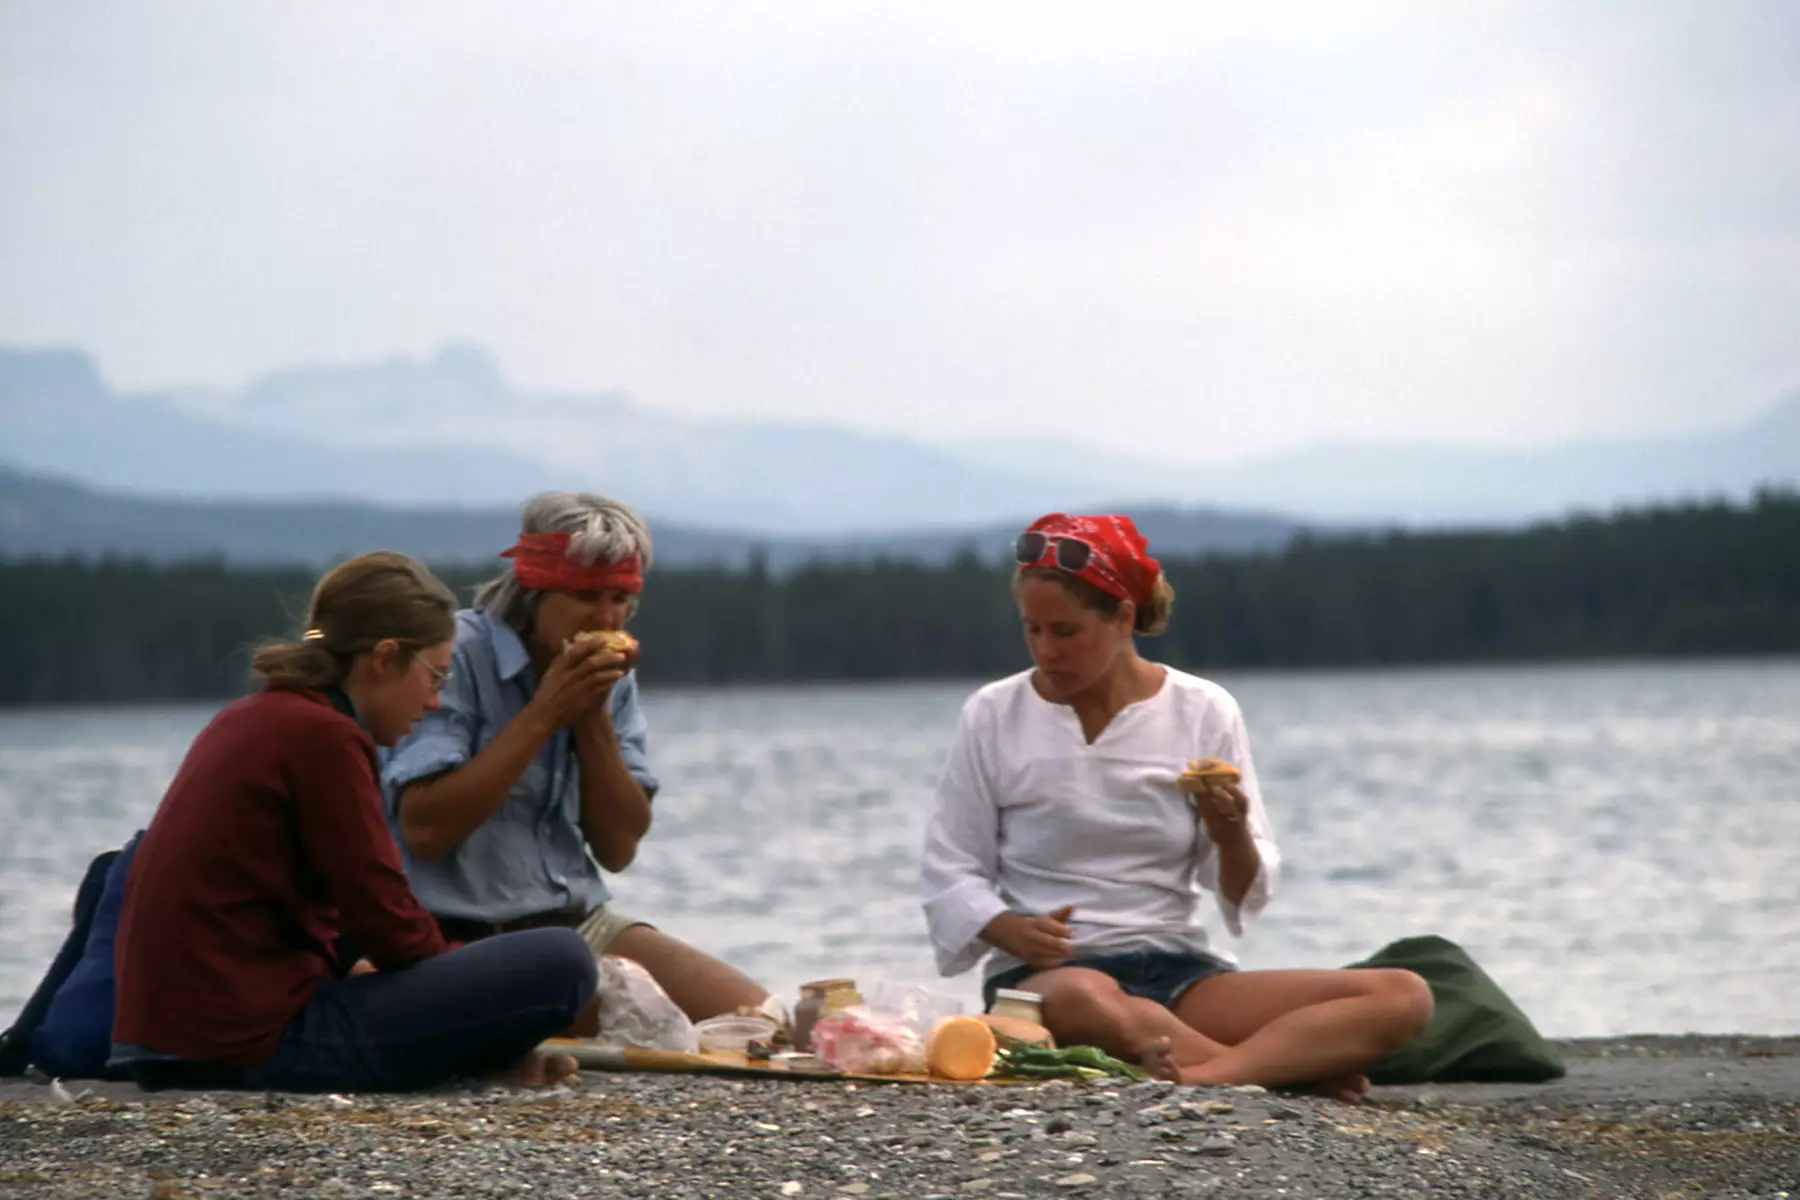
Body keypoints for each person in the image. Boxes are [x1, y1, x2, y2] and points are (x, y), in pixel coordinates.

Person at [920, 514, 1432, 1099]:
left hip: (1179, 973)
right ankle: (1283, 1069)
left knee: (1402, 996)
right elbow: (950, 866)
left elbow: (1240, 888)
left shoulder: (1203, 709)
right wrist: (1010, 928)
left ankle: (1209, 1073)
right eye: (1031, 630)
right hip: (1050, 981)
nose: (1045, 650)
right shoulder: (994, 713)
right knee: (1085, 998)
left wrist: (1232, 833)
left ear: (1124, 618)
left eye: (1065, 632)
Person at [111, 550, 595, 1093]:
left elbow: (345, 912)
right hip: (245, 1044)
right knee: (563, 961)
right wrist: (473, 1003)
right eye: (434, 675)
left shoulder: (253, 716)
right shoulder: (327, 737)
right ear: (385, 658)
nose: (435, 701)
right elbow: (389, 925)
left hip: (172, 1041)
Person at [382, 491, 770, 1026]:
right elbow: (425, 828)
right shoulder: (456, 655)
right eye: (587, 596)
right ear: (534, 590)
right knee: (628, 1015)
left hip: (575, 922)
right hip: (456, 931)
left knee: (758, 1020)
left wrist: (591, 718)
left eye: (621, 598)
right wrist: (544, 713)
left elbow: (618, 847)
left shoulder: (611, 677)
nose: (607, 616)